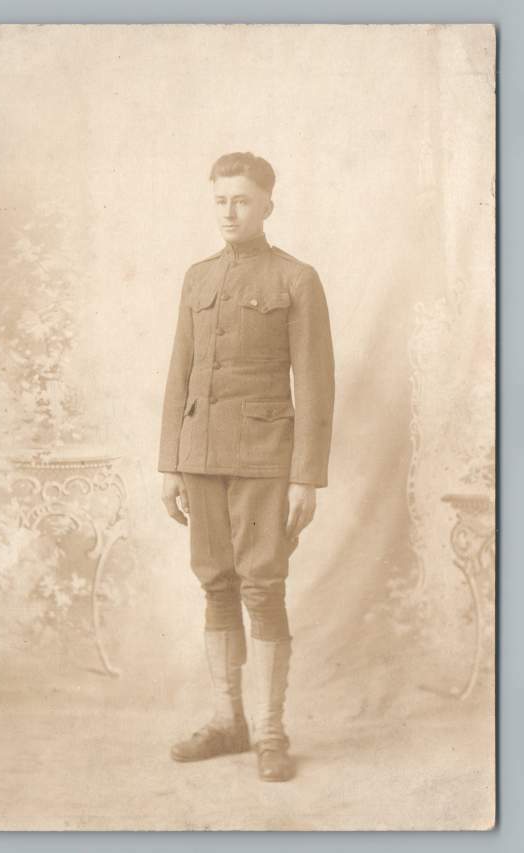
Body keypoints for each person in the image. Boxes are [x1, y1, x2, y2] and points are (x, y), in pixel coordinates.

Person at [158, 151, 335, 782]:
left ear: (267, 204)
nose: (229, 212)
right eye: (220, 200)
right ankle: (227, 720)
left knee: (262, 585)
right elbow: (179, 373)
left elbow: (314, 385)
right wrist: (170, 464)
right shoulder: (197, 277)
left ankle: (268, 730)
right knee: (215, 583)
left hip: (265, 459)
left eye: (241, 200)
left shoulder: (296, 279)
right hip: (200, 455)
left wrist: (306, 477)